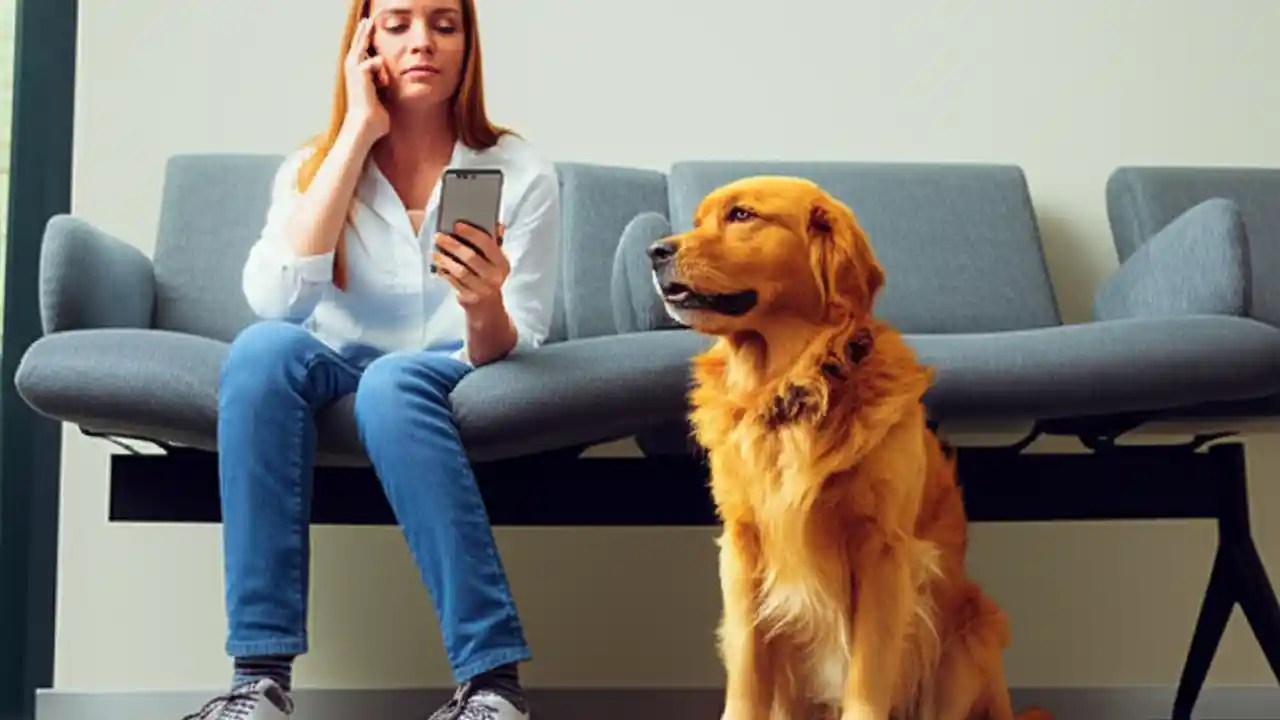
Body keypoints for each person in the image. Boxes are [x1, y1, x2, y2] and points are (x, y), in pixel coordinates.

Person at [185, 1, 560, 718]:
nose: (423, 42)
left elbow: (516, 340)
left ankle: (493, 687)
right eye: (398, 23)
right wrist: (356, 133)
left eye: (444, 25)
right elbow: (274, 300)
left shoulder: (518, 170)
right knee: (261, 350)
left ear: (467, 45)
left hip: (451, 368)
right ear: (364, 42)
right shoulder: (314, 165)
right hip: (331, 362)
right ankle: (257, 683)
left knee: (391, 383)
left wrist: (484, 301)